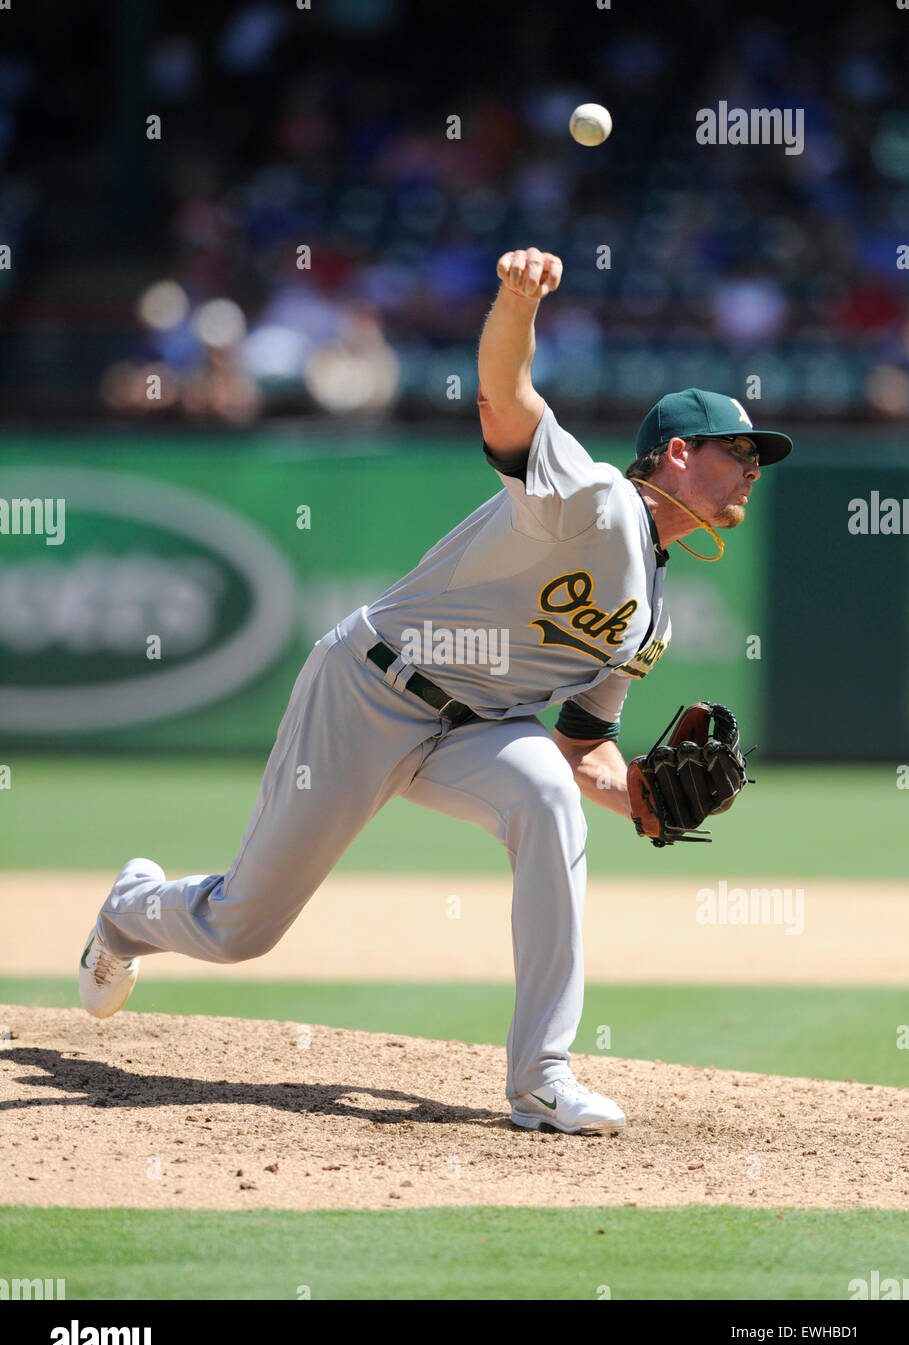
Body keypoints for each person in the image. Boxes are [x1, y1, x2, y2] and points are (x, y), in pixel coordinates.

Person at [80, 247, 792, 1137]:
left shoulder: (653, 624)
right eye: (737, 452)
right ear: (677, 454)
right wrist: (515, 302)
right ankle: (129, 908)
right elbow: (504, 395)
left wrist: (639, 800)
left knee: (544, 795)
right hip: (370, 689)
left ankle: (541, 1077)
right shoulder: (594, 499)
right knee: (241, 929)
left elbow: (580, 746)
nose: (752, 469)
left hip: (477, 730)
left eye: (758, 457)